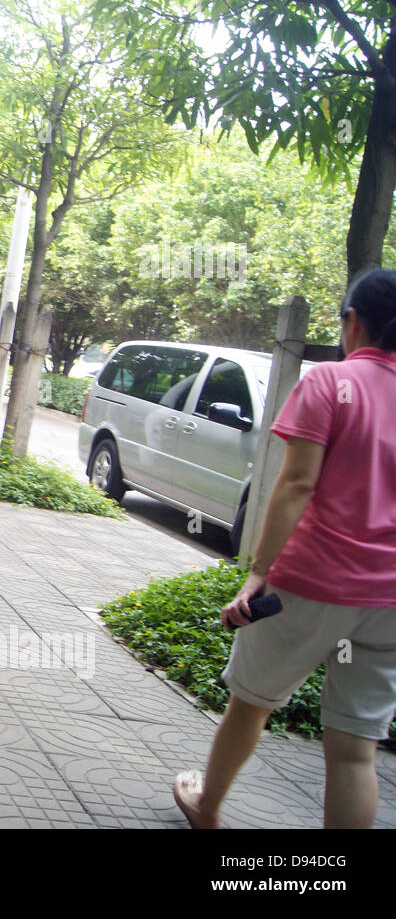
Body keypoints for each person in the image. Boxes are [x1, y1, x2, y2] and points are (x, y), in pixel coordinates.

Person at [173, 268, 396, 828]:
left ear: (352, 321)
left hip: (312, 582)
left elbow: (295, 484)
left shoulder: (329, 384)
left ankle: (208, 806)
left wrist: (259, 574)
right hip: (389, 602)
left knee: (252, 704)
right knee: (354, 748)